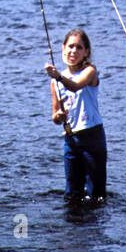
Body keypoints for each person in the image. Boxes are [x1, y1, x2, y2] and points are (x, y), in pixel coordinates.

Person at [45, 28, 107, 202]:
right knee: (72, 194)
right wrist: (59, 116)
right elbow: (55, 116)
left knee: (97, 194)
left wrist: (57, 76)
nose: (74, 51)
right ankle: (75, 226)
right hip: (71, 140)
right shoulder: (56, 80)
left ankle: (96, 226)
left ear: (86, 52)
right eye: (70, 46)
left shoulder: (90, 71)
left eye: (79, 47)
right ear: (63, 49)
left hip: (92, 136)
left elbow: (75, 86)